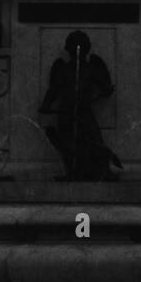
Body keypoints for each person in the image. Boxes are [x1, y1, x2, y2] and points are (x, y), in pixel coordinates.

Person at [39, 30, 122, 181]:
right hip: (66, 111)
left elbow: (104, 86)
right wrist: (46, 105)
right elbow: (53, 90)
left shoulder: (92, 68)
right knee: (67, 142)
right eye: (73, 46)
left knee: (94, 139)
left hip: (85, 110)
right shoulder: (63, 69)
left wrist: (107, 89)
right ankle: (72, 172)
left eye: (81, 46)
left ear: (87, 49)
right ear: (68, 49)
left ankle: (102, 171)